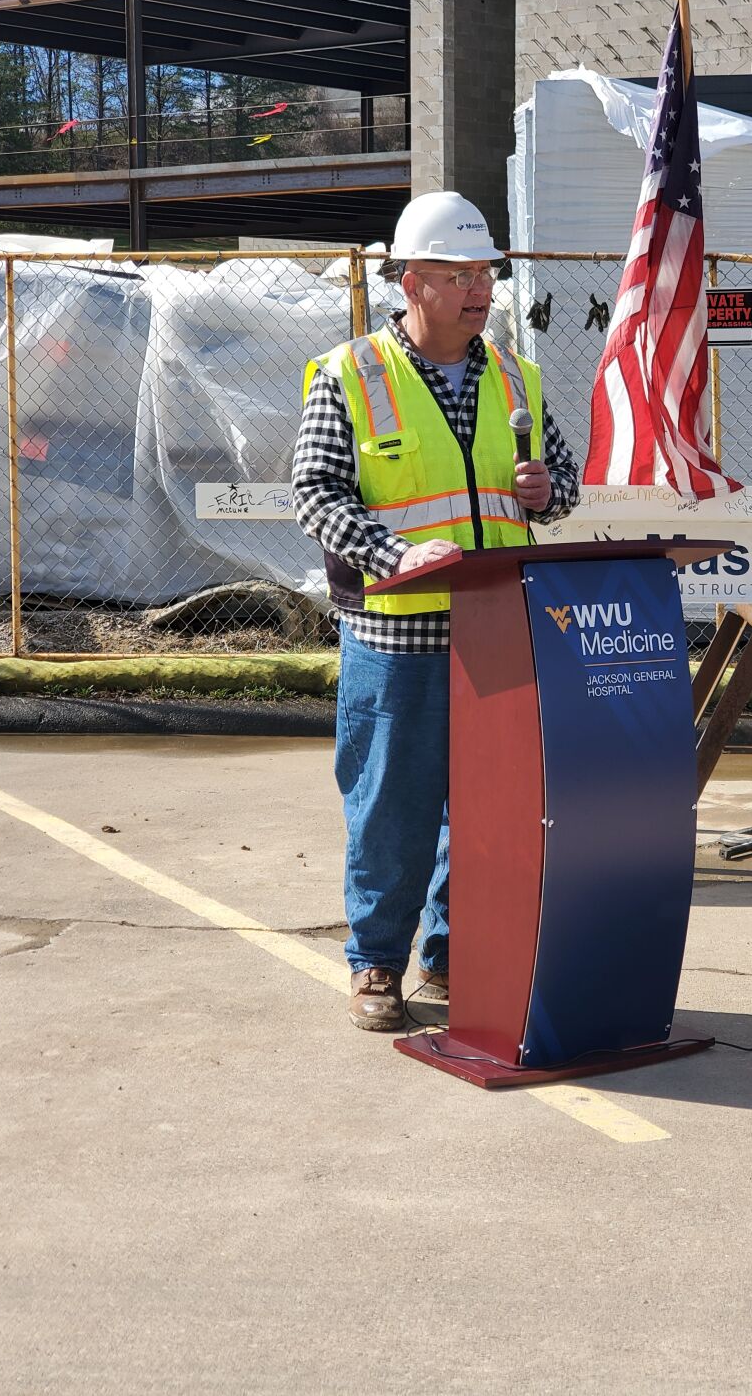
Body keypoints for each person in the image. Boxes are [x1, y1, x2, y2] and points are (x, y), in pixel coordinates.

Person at [292, 191, 580, 1030]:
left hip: (498, 628)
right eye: (457, 275)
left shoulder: (514, 375)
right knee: (392, 803)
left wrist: (547, 489)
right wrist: (392, 555)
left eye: (483, 272)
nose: (478, 289)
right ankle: (376, 961)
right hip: (398, 632)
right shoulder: (351, 373)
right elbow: (314, 492)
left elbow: (559, 483)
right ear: (411, 281)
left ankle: (454, 951)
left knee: (489, 802)